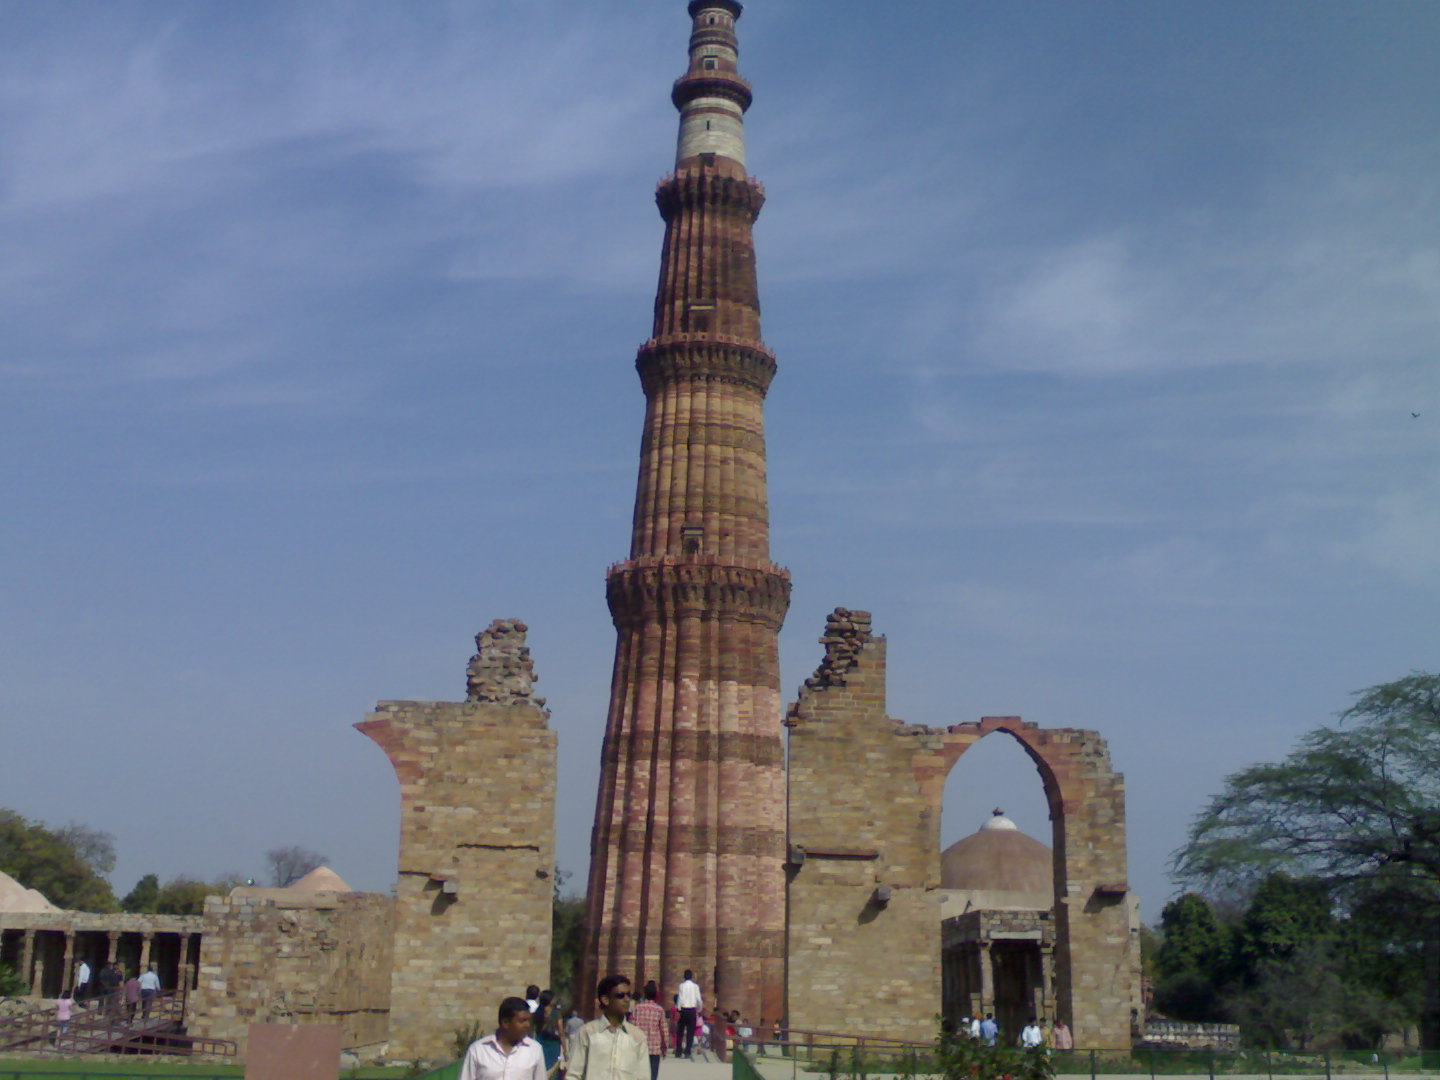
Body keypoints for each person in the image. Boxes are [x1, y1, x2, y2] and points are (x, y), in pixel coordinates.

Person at [568, 975, 648, 1080]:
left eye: (629, 995)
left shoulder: (637, 1037)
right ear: (605, 1000)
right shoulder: (588, 1033)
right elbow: (573, 1074)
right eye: (620, 995)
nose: (627, 999)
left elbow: (643, 1076)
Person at [459, 997, 547, 1080]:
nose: (527, 1025)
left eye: (528, 1021)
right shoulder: (478, 1050)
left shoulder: (534, 1050)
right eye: (522, 1021)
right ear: (505, 1023)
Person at [630, 981, 669, 1080]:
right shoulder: (659, 1010)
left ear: (645, 994)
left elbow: (631, 1027)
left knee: (638, 1074)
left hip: (639, 1046)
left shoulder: (637, 1008)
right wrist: (665, 1047)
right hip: (654, 1048)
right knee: (653, 1075)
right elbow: (664, 1030)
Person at [534, 990, 564, 1077]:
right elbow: (561, 1032)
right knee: (553, 1068)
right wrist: (565, 1050)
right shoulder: (556, 1013)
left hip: (540, 1041)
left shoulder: (537, 1012)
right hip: (553, 1043)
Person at [674, 969, 701, 1059]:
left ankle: (678, 1051)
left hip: (683, 1010)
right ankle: (687, 1051)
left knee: (680, 1031)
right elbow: (698, 999)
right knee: (690, 1032)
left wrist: (678, 1009)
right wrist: (699, 1009)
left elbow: (680, 998)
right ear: (691, 977)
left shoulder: (681, 986)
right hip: (692, 1010)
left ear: (684, 976)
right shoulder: (695, 986)